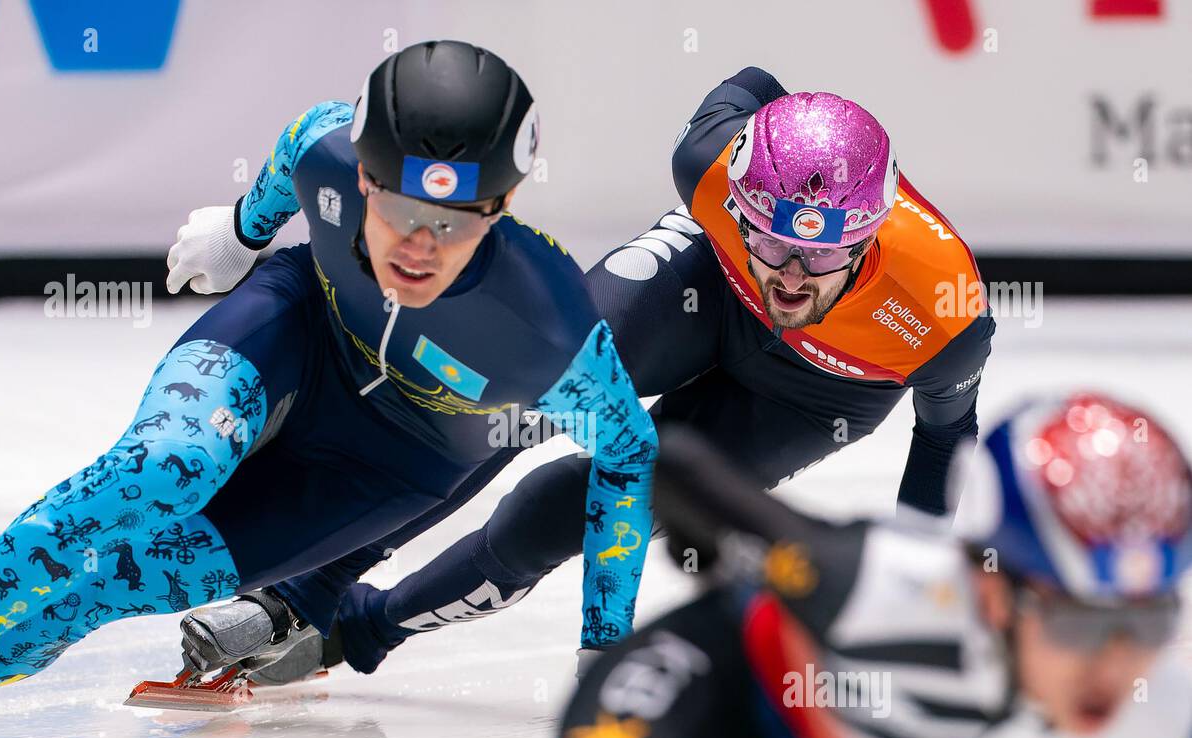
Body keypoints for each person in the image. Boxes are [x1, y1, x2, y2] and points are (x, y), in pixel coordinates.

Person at [0, 40, 656, 726]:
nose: (420, 248)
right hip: (300, 332)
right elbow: (297, 143)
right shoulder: (327, 149)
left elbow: (629, 456)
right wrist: (242, 230)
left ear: (504, 207)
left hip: (393, 463)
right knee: (159, 470)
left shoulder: (552, 328)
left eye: (456, 221)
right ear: (362, 173)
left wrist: (604, 642)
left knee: (113, 584)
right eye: (396, 209)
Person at [205, 66, 995, 681]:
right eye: (769, 234)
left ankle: (363, 628)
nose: (789, 275)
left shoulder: (943, 311)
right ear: (738, 196)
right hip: (701, 286)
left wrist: (908, 594)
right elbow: (757, 83)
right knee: (508, 400)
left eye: (823, 252)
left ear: (873, 234)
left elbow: (943, 442)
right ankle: (300, 596)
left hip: (819, 390)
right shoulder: (711, 165)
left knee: (553, 516)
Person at [509, 396, 1192, 738]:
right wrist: (711, 556)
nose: (1118, 659)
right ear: (990, 588)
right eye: (1078, 623)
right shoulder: (885, 589)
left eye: (1149, 619)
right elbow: (679, 467)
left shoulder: (1159, 717)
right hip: (694, 702)